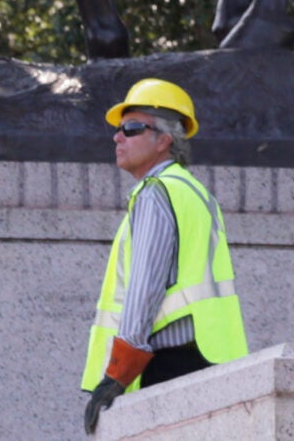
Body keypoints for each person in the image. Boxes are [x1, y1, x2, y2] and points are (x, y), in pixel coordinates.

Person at [81, 79, 248, 435]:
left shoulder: (156, 193)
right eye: (118, 129)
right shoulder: (192, 191)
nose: (118, 137)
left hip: (169, 366)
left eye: (132, 128)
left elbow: (145, 287)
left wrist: (117, 374)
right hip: (207, 359)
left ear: (164, 140)